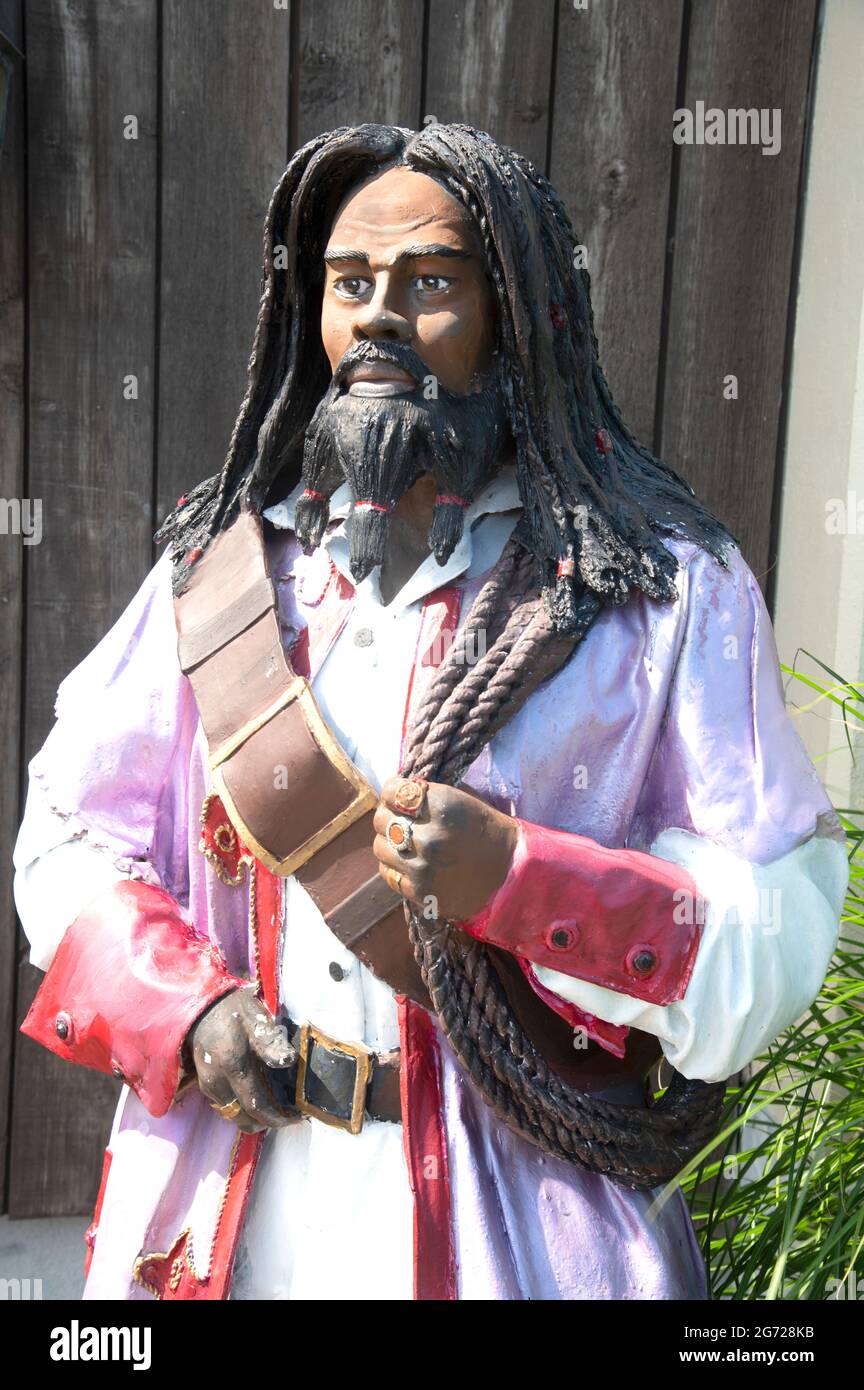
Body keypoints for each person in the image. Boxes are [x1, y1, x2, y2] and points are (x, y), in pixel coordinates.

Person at [13, 124, 847, 1301]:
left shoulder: (660, 590)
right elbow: (66, 837)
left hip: (528, 1221)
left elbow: (780, 919)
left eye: (432, 282)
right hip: (232, 1217)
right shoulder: (218, 579)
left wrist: (522, 879)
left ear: (514, 312)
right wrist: (185, 1007)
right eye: (351, 284)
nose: (381, 319)